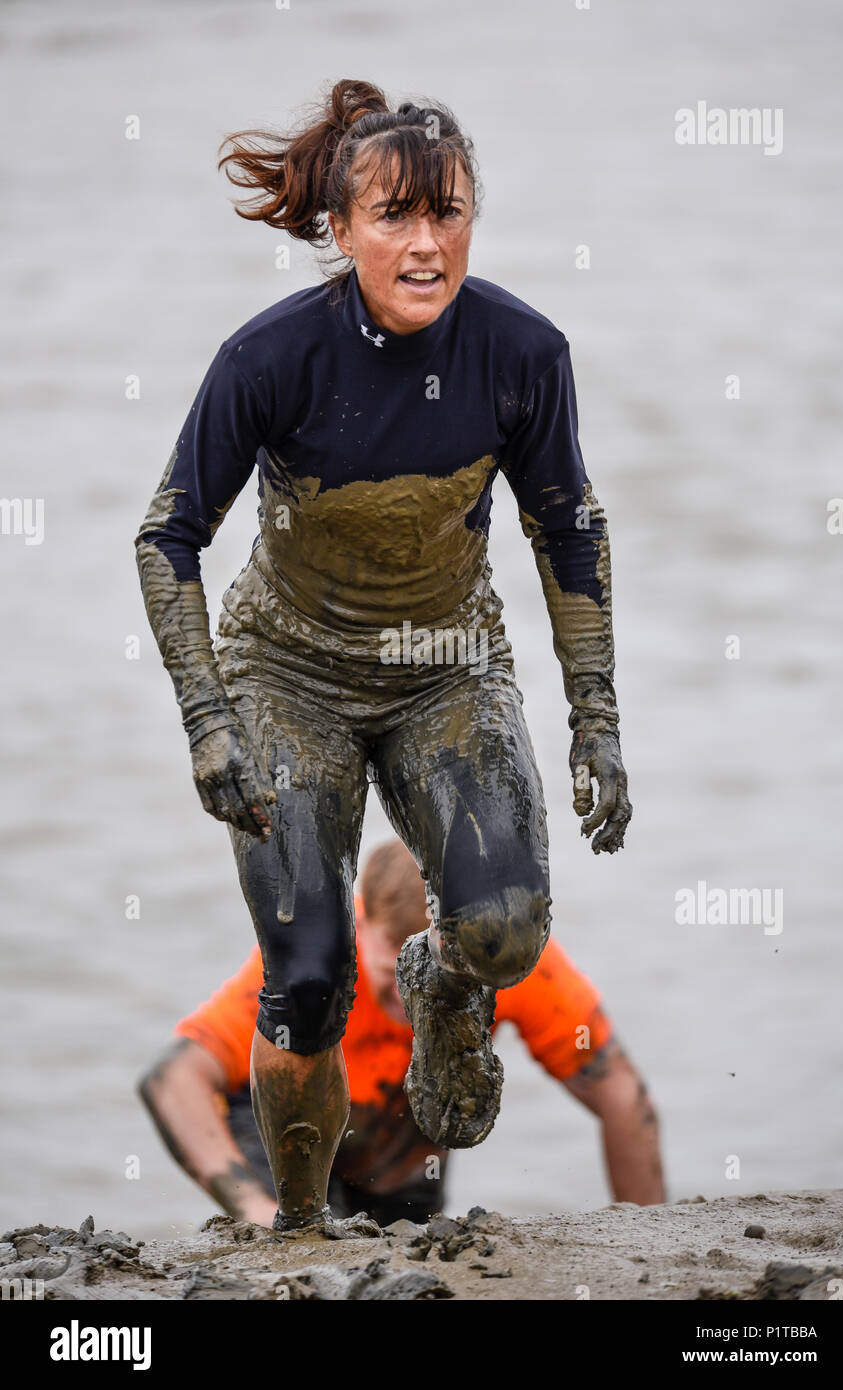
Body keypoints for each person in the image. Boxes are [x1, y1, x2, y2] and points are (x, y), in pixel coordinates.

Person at [134, 78, 632, 1234]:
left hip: (449, 666)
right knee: (306, 978)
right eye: (395, 217)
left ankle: (444, 984)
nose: (424, 244)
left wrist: (594, 714)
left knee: (508, 927)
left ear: (473, 216)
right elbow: (168, 536)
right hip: (286, 675)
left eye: (446, 212)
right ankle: (300, 1239)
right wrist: (209, 718)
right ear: (342, 228)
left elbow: (570, 528)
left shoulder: (522, 351)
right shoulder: (268, 358)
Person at [139, 842, 663, 1227]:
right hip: (278, 1139)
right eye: (396, 981)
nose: (415, 1005)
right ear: (359, 924)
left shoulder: (503, 959)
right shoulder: (319, 957)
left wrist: (647, 1245)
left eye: (442, 987)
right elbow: (173, 1079)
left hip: (399, 1152)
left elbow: (621, 1094)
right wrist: (253, 1206)